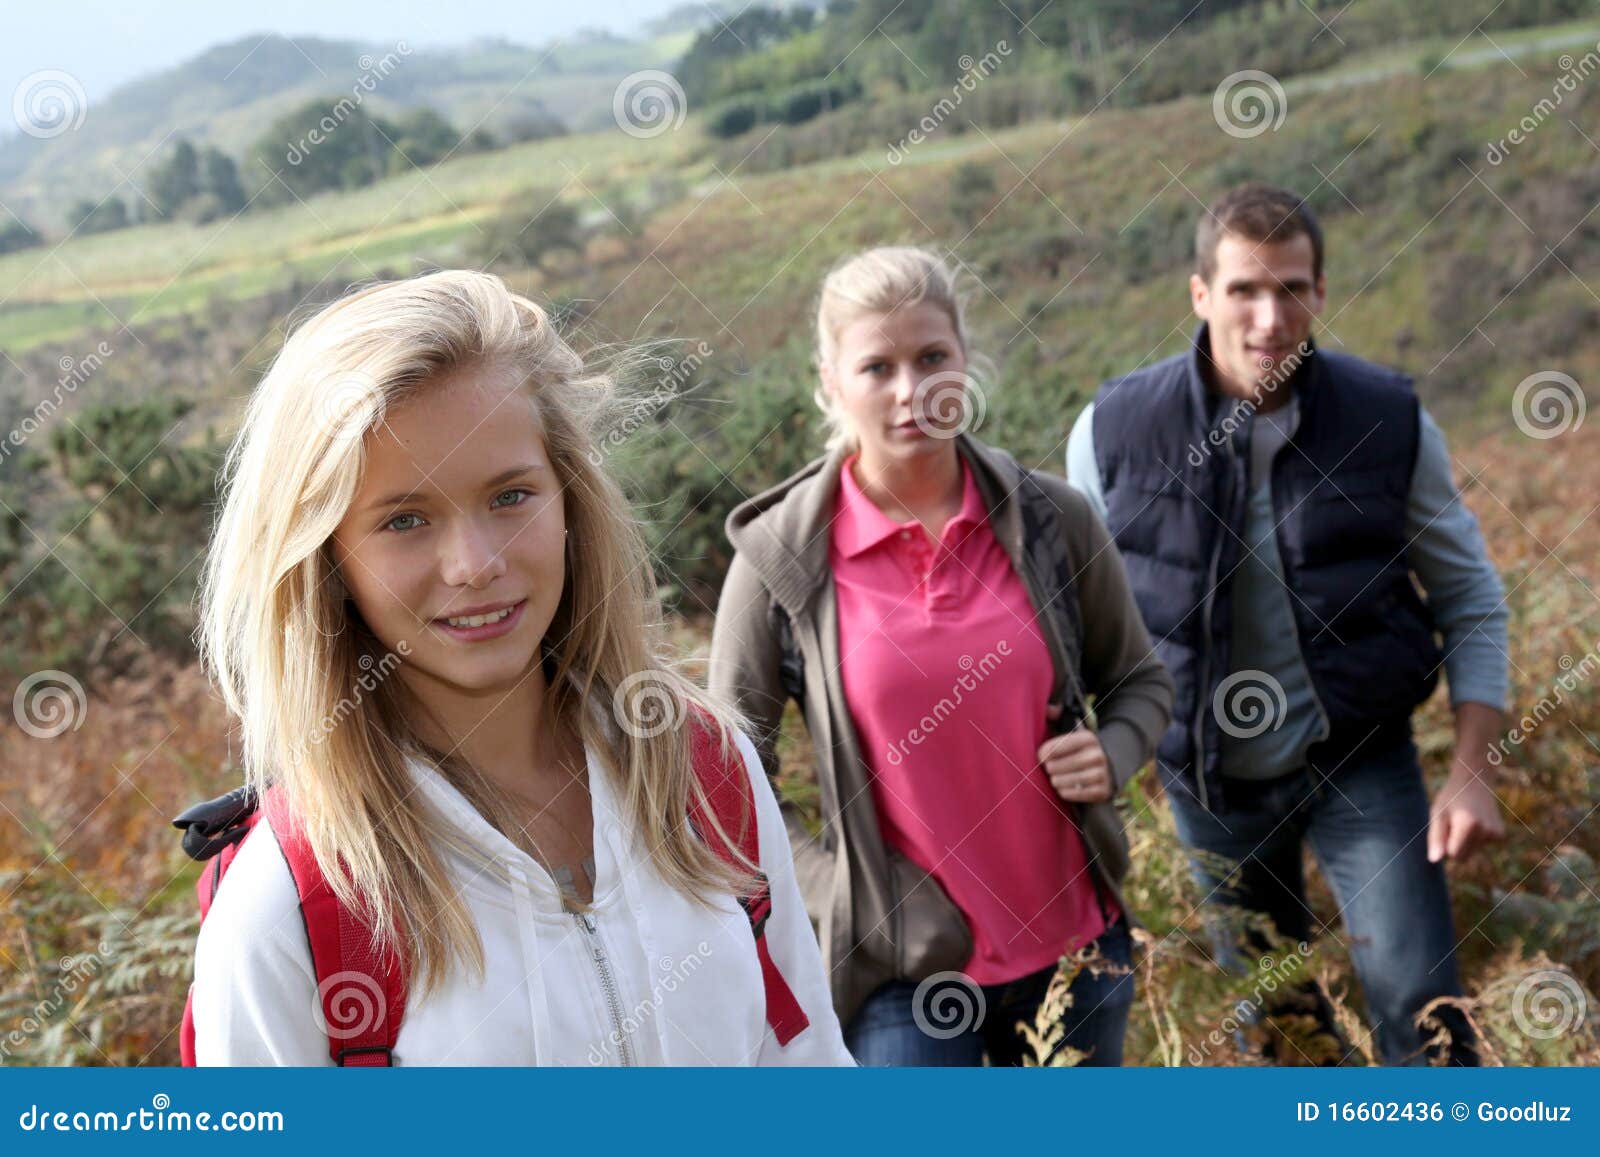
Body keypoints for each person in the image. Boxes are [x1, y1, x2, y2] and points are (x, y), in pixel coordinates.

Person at [188, 269, 854, 1066]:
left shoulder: (708, 774)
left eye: (510, 496)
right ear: (326, 562)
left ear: (571, 500)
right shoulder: (291, 909)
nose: (474, 564)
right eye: (404, 519)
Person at [1065, 184, 1508, 1066]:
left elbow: (1472, 598)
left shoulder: (1385, 419)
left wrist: (1470, 773)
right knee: (1278, 1029)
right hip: (1212, 782)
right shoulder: (1114, 431)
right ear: (1199, 294)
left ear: (1321, 290)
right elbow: (1068, 619)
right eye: (1244, 289)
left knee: (1423, 1007)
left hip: (1362, 761)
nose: (1271, 317)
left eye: (1294, 288)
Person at [709, 246, 1174, 1066]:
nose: (909, 391)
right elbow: (719, 782)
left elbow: (1139, 681)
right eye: (877, 366)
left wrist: (1114, 751)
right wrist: (841, 897)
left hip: (1079, 950)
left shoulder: (1053, 521)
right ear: (831, 381)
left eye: (932, 358)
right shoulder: (782, 558)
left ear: (965, 359)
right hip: (904, 975)